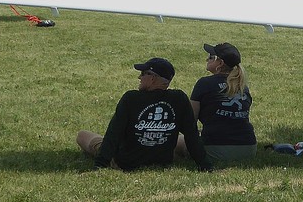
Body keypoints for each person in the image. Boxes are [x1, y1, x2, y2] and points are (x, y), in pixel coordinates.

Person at [76, 58, 213, 171]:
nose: (139, 77)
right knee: (179, 138)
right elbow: (191, 135)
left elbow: (113, 134)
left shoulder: (131, 98)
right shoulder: (179, 98)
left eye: (142, 74)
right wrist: (204, 164)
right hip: (162, 160)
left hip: (127, 161)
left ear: (152, 78)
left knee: (82, 135)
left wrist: (100, 164)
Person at [177, 42, 258, 165]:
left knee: (176, 141)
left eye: (210, 57)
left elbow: (190, 121)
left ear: (220, 63)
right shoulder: (242, 86)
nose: (207, 59)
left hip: (216, 147)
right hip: (248, 148)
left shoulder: (204, 83)